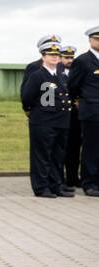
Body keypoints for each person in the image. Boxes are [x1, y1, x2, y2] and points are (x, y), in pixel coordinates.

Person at [21, 40, 72, 197]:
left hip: (61, 121)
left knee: (57, 156)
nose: (54, 57)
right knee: (42, 156)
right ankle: (41, 187)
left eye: (57, 55)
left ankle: (56, 185)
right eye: (50, 54)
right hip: (43, 121)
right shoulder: (38, 75)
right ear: (43, 56)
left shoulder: (61, 75)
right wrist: (36, 112)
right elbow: (27, 98)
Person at [67, 26, 99, 196]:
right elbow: (72, 85)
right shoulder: (83, 61)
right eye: (97, 39)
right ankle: (90, 183)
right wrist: (81, 100)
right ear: (90, 40)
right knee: (92, 148)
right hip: (92, 110)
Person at [60, 46, 82, 188]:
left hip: (75, 116)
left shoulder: (78, 71)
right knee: (61, 148)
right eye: (66, 57)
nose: (69, 60)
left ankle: (73, 178)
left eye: (71, 57)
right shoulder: (56, 73)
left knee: (74, 148)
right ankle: (59, 178)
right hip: (61, 114)